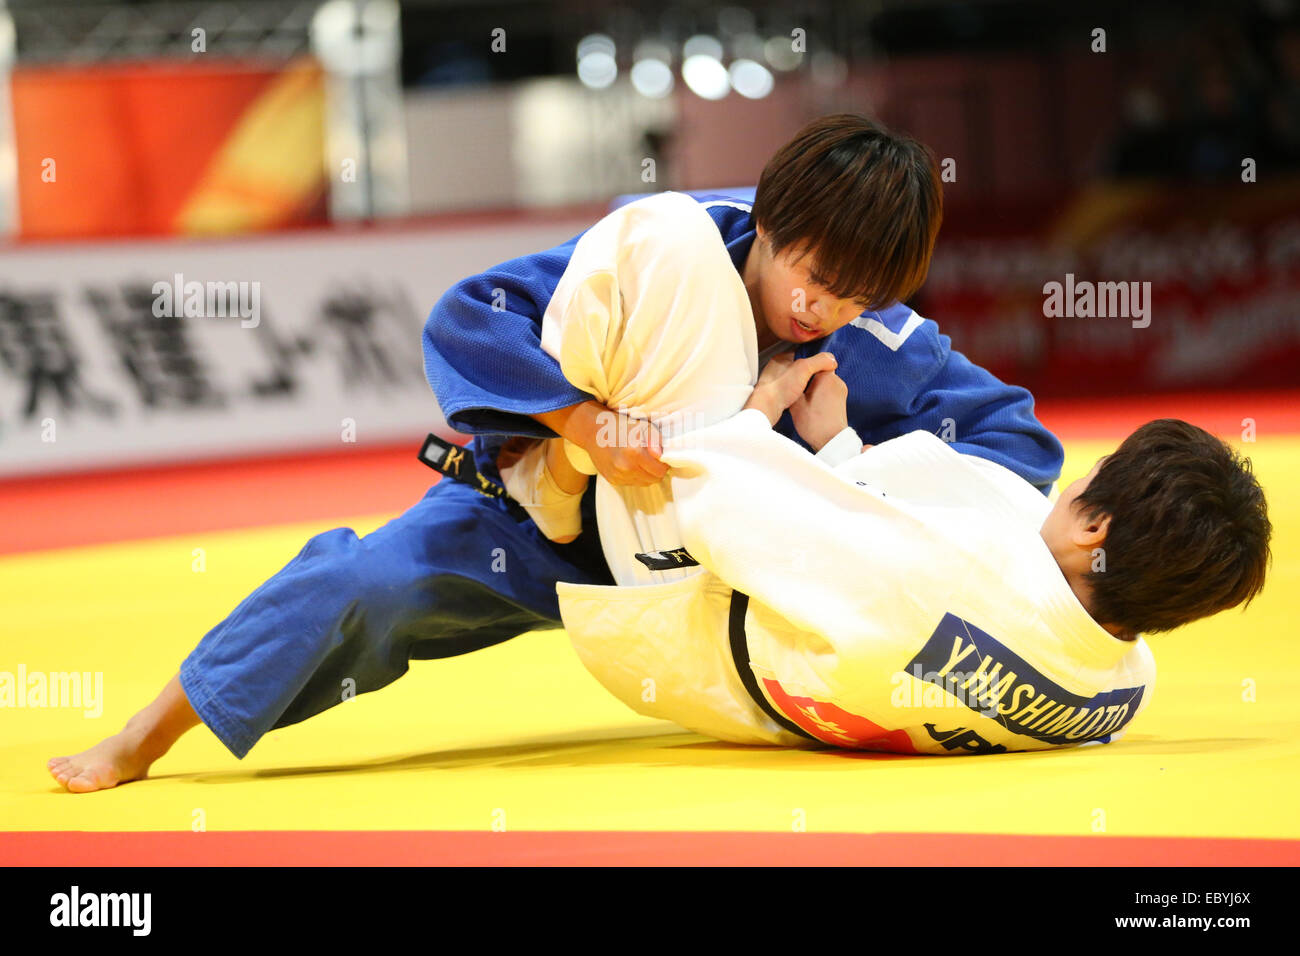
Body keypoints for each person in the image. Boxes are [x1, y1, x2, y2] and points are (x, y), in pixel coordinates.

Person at [48, 115, 1065, 792]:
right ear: (772, 220)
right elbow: (470, 315)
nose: (820, 307)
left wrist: (842, 452)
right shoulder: (666, 249)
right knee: (365, 581)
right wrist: (582, 427)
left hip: (712, 578)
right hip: (549, 519)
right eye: (811, 274)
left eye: (854, 295)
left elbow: (1014, 444)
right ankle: (149, 731)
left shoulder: (875, 342)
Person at [499, 215, 1274, 754]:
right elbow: (899, 567)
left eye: (1086, 484)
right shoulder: (1124, 692)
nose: (1066, 483)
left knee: (672, 247)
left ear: (1094, 532)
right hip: (820, 663)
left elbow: (718, 494)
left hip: (679, 625)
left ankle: (551, 465)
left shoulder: (945, 564)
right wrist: (838, 447)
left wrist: (763, 409)